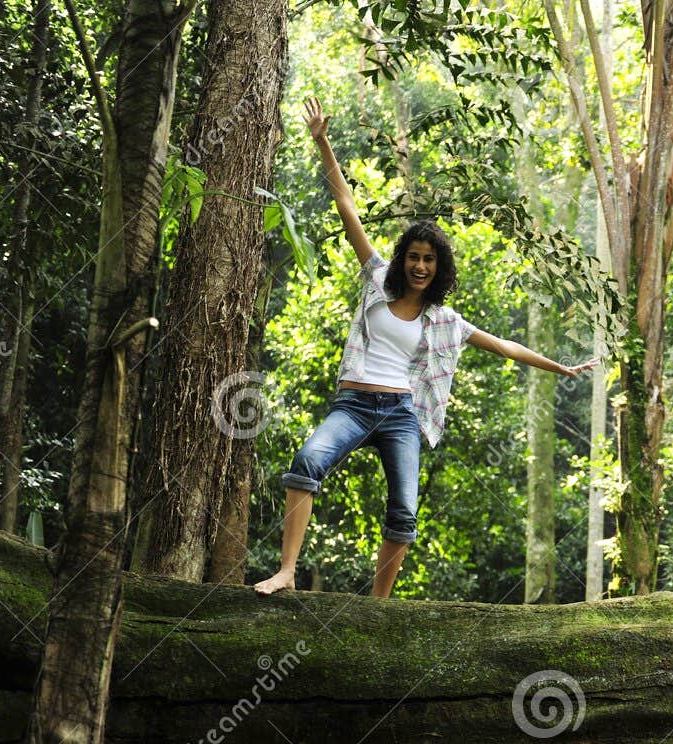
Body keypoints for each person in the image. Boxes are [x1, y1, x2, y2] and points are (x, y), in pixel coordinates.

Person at [254, 96, 595, 597]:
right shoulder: (376, 281)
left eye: (429, 260)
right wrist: (323, 141)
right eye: (413, 256)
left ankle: (378, 607)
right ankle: (286, 571)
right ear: (401, 260)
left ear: (439, 269)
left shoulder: (443, 320)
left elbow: (504, 345)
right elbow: (346, 203)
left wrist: (559, 368)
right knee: (307, 463)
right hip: (353, 403)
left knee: (404, 509)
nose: (419, 265)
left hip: (401, 413)